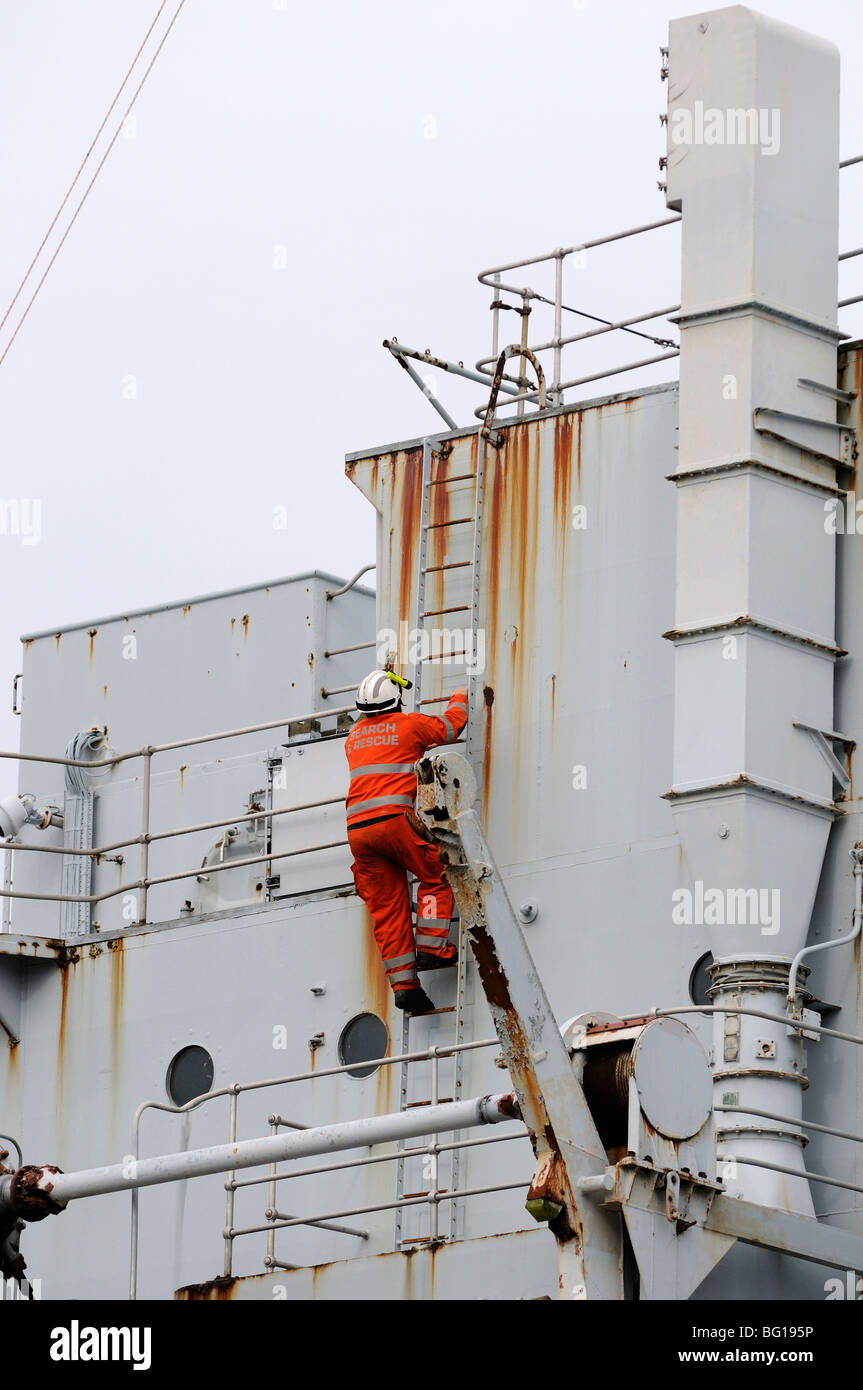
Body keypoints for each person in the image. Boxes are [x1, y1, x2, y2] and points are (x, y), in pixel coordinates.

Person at [345, 670, 468, 1014]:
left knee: (387, 908)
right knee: (436, 871)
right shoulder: (408, 725)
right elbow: (449, 727)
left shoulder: (353, 738)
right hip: (393, 822)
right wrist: (461, 694)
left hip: (359, 835)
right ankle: (432, 947)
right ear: (394, 700)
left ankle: (404, 986)